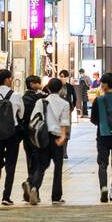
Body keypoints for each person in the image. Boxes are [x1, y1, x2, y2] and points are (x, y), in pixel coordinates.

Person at [27, 77, 71, 205]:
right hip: (57, 137)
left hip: (43, 137)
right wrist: (63, 136)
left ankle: (34, 186)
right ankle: (56, 197)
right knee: (58, 167)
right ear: (61, 89)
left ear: (48, 88)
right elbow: (64, 121)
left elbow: (34, 118)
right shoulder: (64, 104)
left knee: (41, 165)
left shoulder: (41, 102)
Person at [0, 68, 24, 205]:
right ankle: (6, 196)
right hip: (12, 132)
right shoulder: (16, 95)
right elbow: (21, 115)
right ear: (7, 79)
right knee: (11, 164)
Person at [90, 73, 112, 203]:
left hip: (103, 135)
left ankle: (103, 188)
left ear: (104, 85)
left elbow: (93, 119)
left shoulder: (98, 100)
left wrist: (102, 123)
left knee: (103, 163)